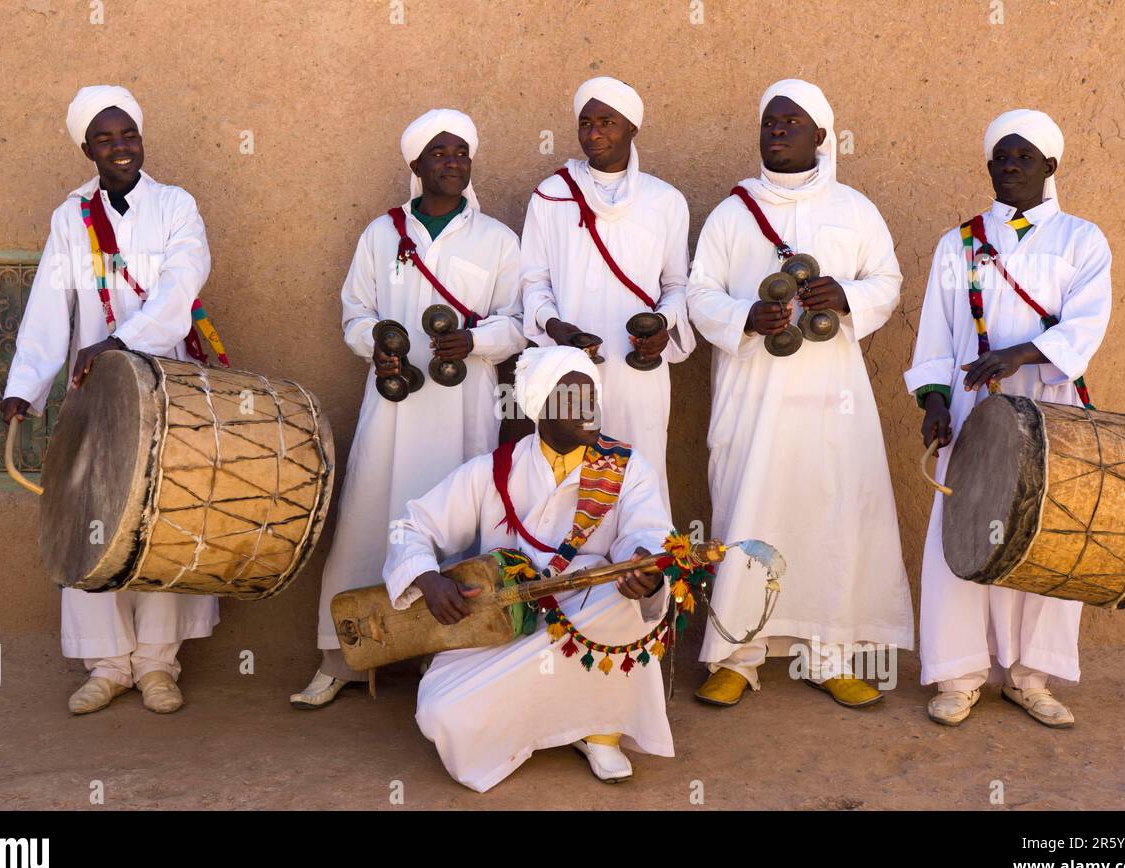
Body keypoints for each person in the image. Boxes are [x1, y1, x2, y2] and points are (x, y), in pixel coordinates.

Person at [687, 79, 913, 709]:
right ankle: (737, 655)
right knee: (749, 509)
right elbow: (699, 292)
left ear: (822, 136)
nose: (777, 131)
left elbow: (887, 281)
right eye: (769, 123)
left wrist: (847, 296)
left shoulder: (855, 209)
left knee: (830, 511)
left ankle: (829, 653)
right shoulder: (732, 213)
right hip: (752, 394)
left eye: (792, 123)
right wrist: (742, 318)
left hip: (831, 396)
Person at [290, 109, 525, 709]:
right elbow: (355, 311)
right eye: (439, 154)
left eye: (461, 154)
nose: (452, 163)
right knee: (371, 513)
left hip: (463, 407)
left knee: (456, 523)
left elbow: (517, 323)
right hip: (393, 407)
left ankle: (441, 659)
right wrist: (376, 346)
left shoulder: (497, 239)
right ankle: (341, 655)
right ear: (415, 165)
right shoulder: (381, 234)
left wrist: (475, 342)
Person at [0, 85, 216, 715]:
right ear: (87, 149)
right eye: (105, 138)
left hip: (167, 383)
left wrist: (123, 340)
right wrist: (25, 386)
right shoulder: (71, 218)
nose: (120, 148)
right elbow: (49, 305)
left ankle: (156, 665)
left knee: (163, 522)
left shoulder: (176, 205)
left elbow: (183, 284)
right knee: (92, 522)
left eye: (128, 136)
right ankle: (106, 665)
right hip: (96, 396)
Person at [384, 346, 675, 791]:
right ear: (540, 407)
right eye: (571, 399)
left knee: (619, 601)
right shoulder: (493, 471)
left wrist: (645, 571)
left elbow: (649, 534)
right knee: (443, 714)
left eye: (591, 395)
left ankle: (599, 729)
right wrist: (428, 578)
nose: (588, 409)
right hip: (507, 621)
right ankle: (540, 719)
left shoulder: (626, 469)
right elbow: (409, 527)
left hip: (587, 612)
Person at [906, 109, 1112, 728]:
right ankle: (961, 673)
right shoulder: (960, 241)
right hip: (974, 410)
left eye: (1023, 157)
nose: (1010, 166)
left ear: (1051, 166)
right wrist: (936, 402)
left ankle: (1030, 676)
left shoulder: (1082, 239)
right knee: (965, 534)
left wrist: (1021, 353)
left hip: (1053, 412)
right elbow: (936, 333)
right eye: (1000, 157)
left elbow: (1086, 322)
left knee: (1048, 534)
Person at [519, 76, 693, 505]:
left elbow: (677, 286)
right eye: (585, 123)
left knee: (639, 480)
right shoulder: (551, 195)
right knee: (567, 484)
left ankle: (640, 571)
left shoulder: (665, 201)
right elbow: (533, 282)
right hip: (568, 370)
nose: (593, 134)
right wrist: (556, 328)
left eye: (607, 122)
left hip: (639, 376)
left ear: (632, 128)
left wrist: (662, 327)